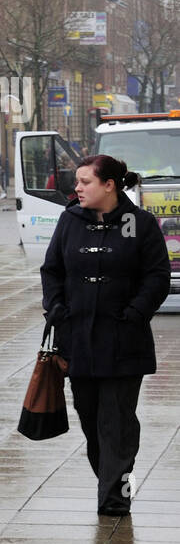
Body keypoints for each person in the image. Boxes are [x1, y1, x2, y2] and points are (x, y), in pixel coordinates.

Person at [40, 155, 170, 516]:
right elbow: (51, 270)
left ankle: (114, 494)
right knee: (89, 415)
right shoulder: (69, 221)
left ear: (109, 185)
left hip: (124, 340)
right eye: (77, 182)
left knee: (117, 419)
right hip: (77, 336)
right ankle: (109, 478)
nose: (77, 188)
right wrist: (57, 309)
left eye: (85, 182)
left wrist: (134, 314)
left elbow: (157, 277)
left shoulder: (139, 223)